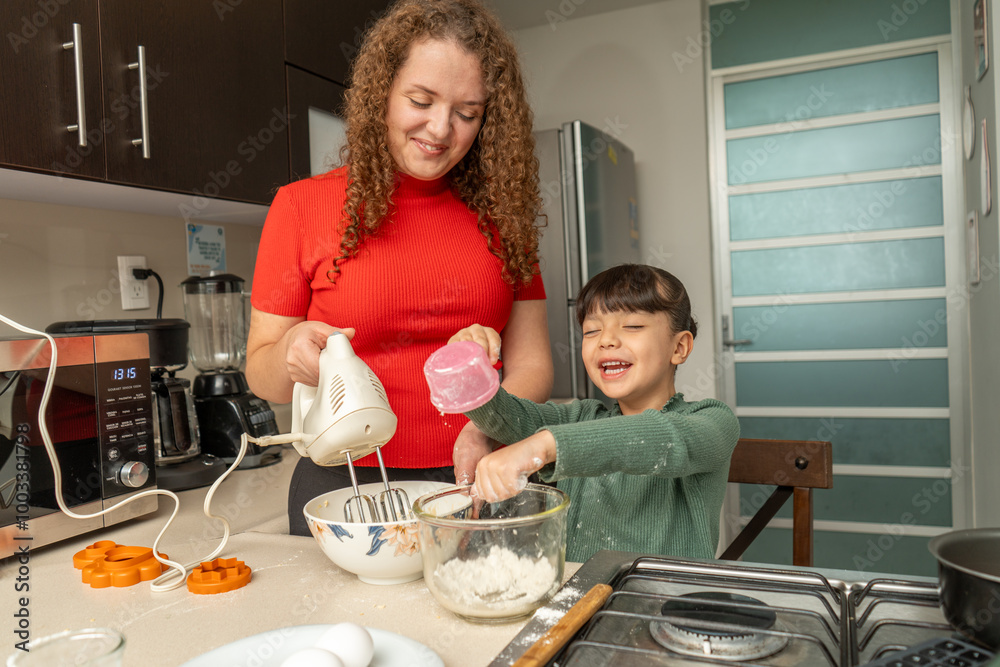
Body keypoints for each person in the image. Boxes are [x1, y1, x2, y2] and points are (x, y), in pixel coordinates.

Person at [247, 0, 553, 536]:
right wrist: (292, 351)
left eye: (468, 113)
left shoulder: (505, 218)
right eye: (421, 100)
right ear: (382, 92)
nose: (441, 128)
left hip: (478, 474)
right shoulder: (299, 207)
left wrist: (490, 426)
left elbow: (535, 365)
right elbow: (262, 375)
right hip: (338, 481)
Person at [450, 264, 740, 563]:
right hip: (579, 601)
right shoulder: (579, 417)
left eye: (632, 326)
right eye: (592, 330)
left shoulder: (712, 420)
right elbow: (508, 417)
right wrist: (467, 368)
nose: (606, 340)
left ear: (679, 347)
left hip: (667, 602)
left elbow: (660, 438)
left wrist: (545, 445)